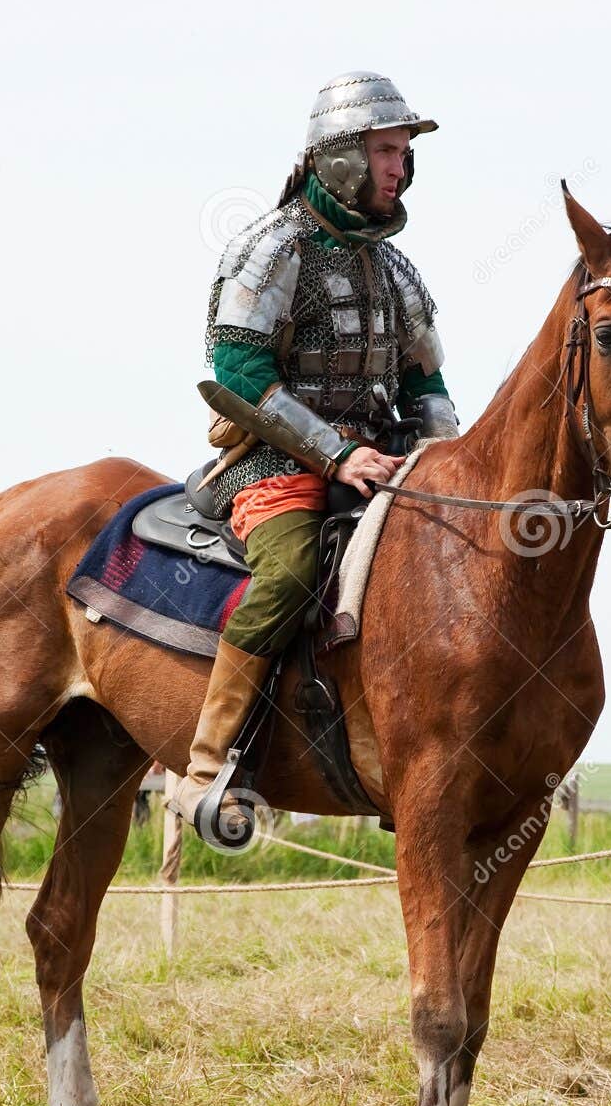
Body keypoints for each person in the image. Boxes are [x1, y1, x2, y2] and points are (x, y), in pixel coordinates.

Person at [175, 71, 458, 837]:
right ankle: (208, 766)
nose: (400, 168)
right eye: (386, 151)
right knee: (294, 571)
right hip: (277, 463)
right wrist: (336, 456)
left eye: (404, 153)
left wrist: (448, 463)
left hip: (380, 463)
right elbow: (238, 371)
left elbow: (425, 384)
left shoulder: (398, 271)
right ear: (339, 159)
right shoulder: (272, 249)